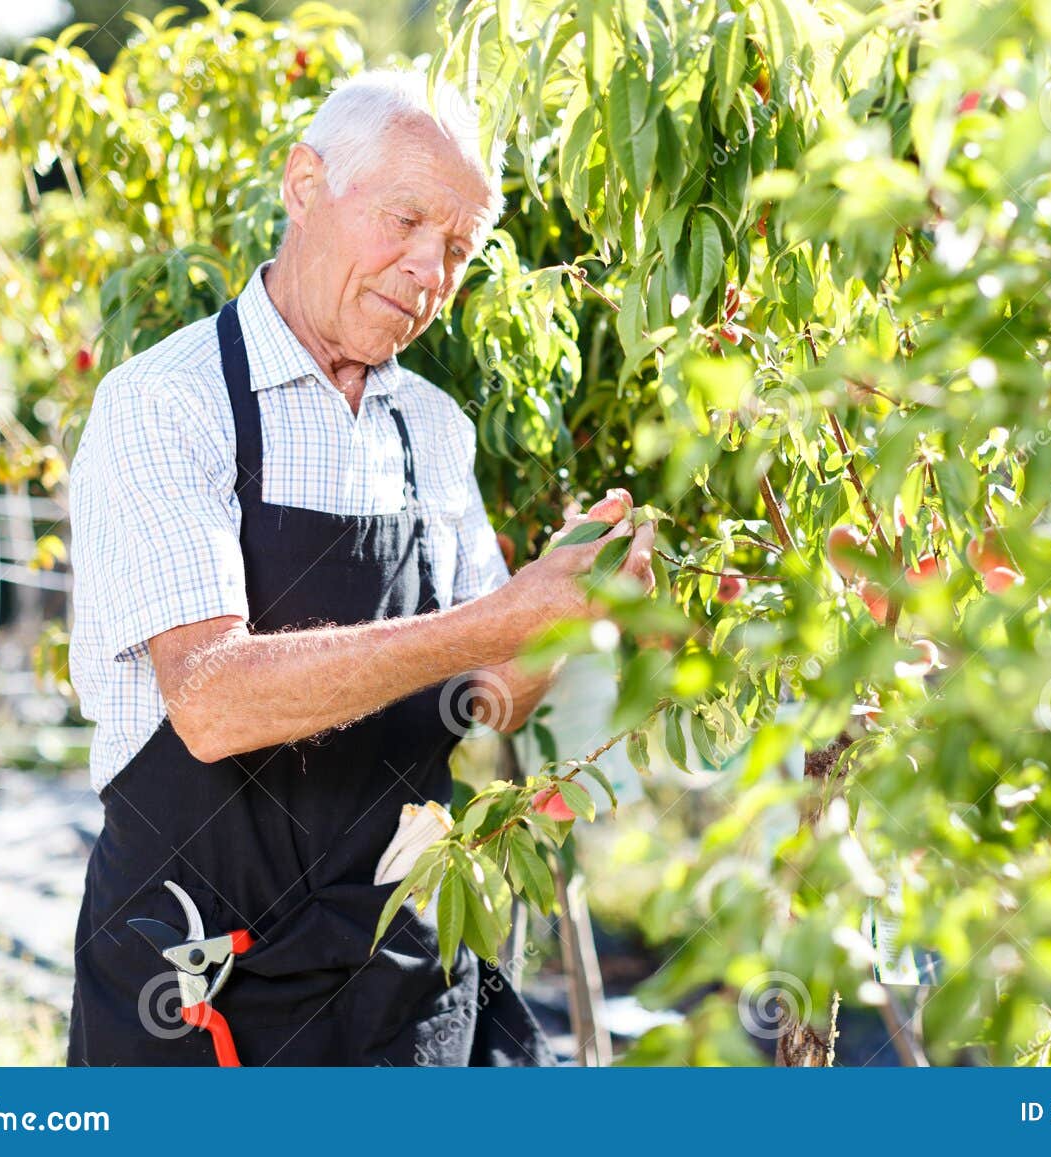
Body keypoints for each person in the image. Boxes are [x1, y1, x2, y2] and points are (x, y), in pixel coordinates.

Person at [65, 70, 654, 1066]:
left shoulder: (434, 429)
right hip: (202, 979)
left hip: (398, 976)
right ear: (303, 186)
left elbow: (488, 698)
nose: (429, 271)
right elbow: (210, 702)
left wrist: (573, 605)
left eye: (457, 251)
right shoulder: (168, 404)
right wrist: (498, 615)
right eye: (406, 220)